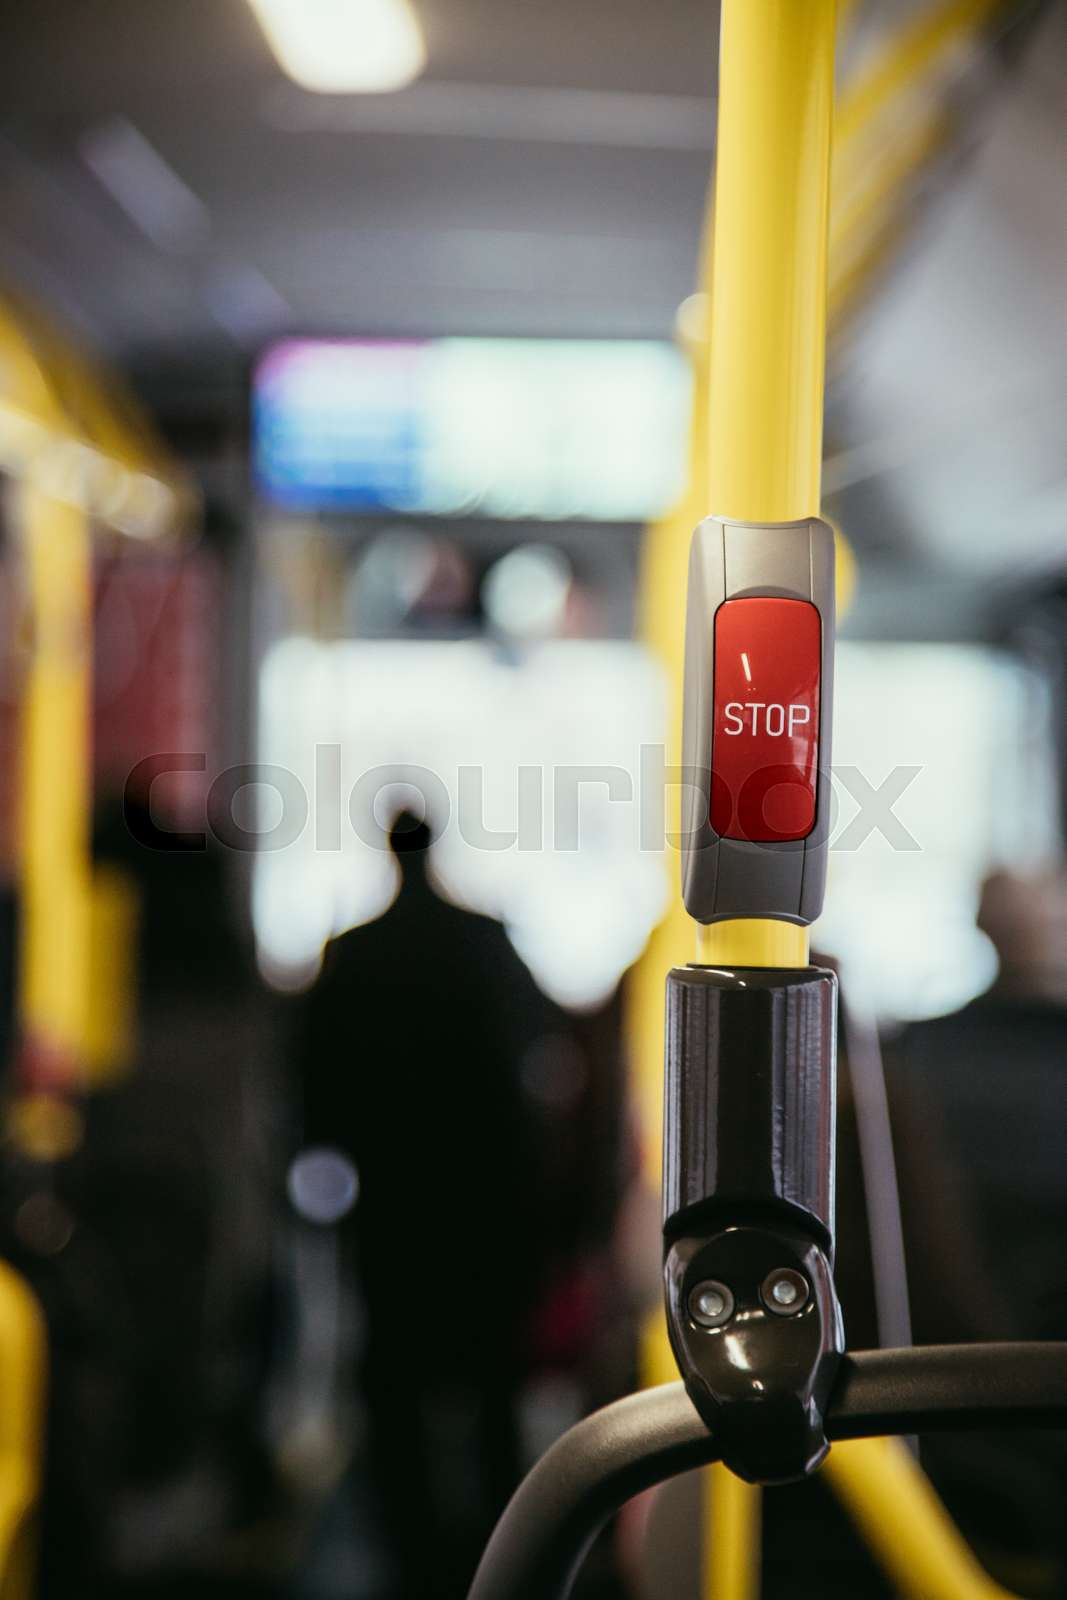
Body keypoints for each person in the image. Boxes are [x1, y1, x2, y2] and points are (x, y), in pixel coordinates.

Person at [293, 811, 557, 1599]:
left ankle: (411, 1560)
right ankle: (506, 1555)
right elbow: (536, 1059)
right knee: (493, 1383)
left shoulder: (355, 954)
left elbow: (313, 1083)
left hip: (393, 1203)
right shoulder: (484, 941)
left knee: (396, 1384)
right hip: (483, 1202)